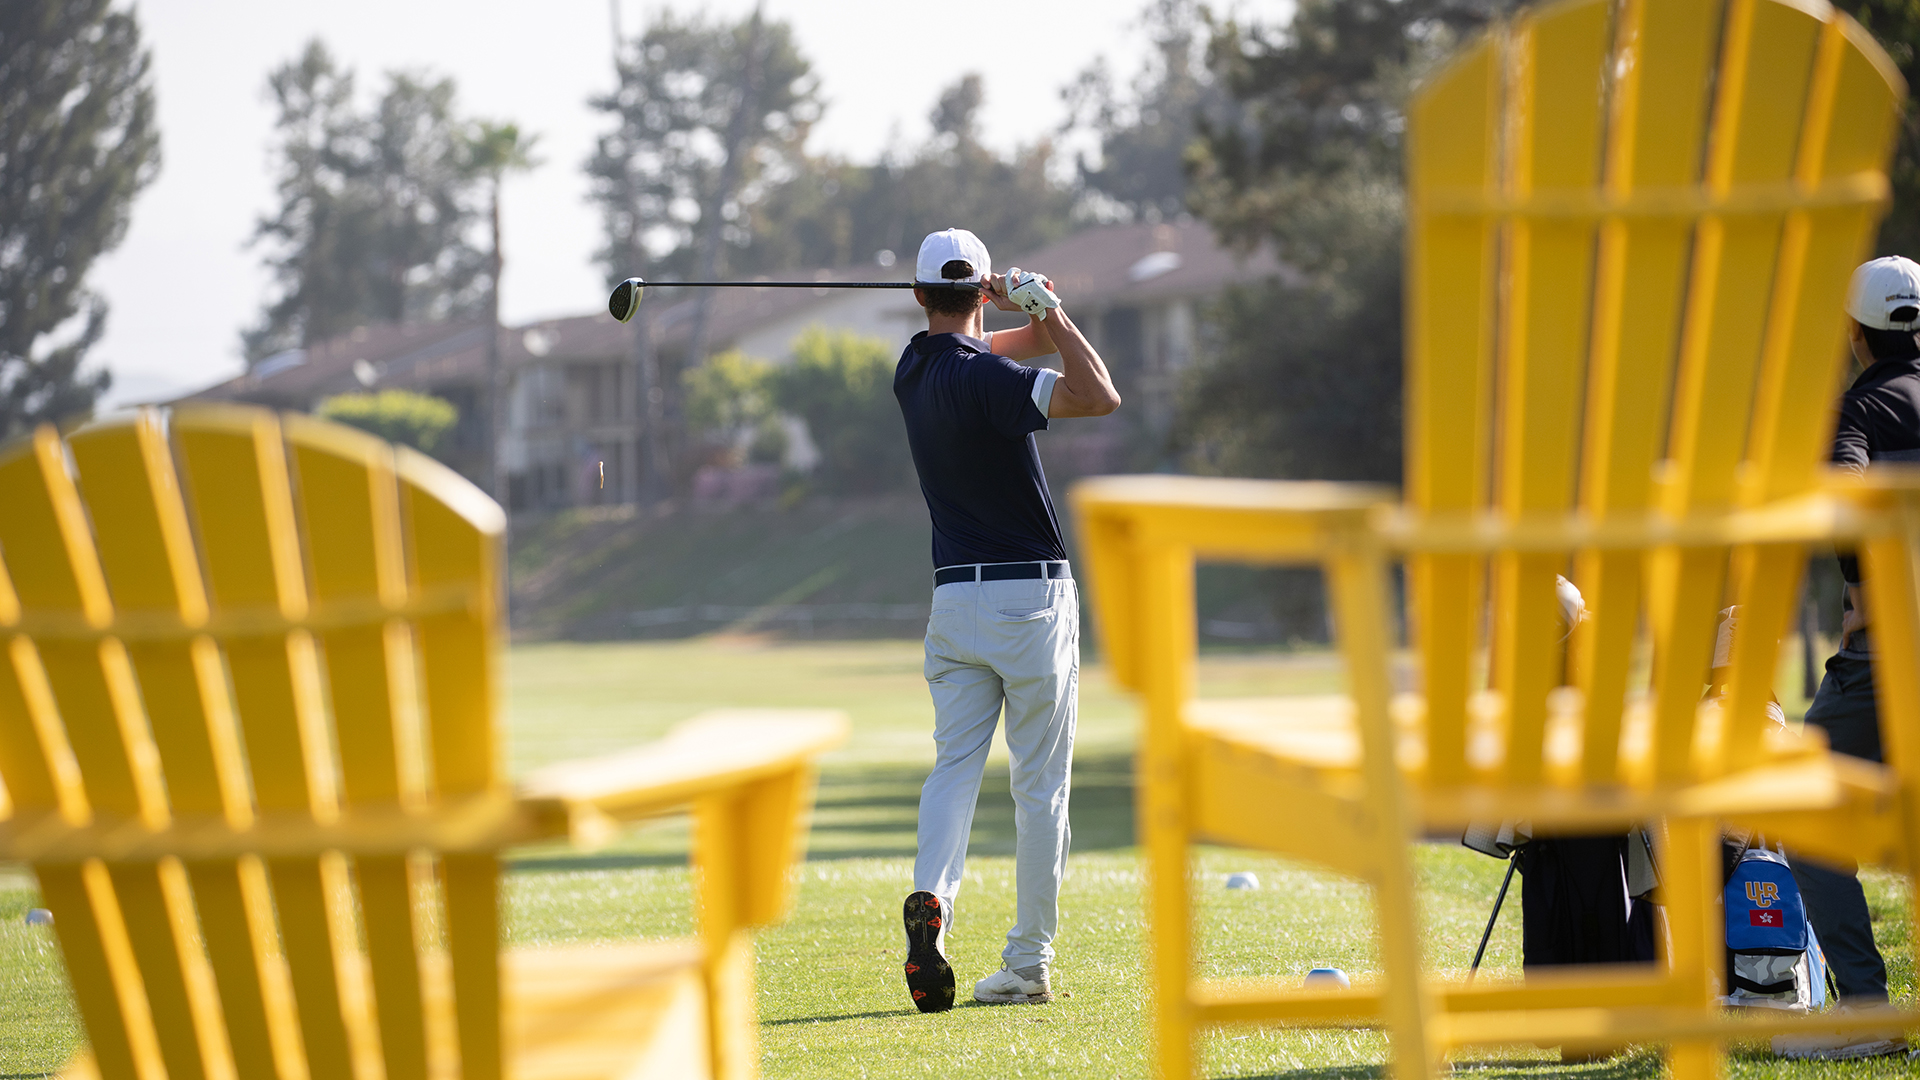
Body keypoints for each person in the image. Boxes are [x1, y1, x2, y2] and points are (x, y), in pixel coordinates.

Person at [894, 228, 1120, 1013]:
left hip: (954, 599)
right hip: (1030, 598)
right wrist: (1053, 312)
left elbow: (983, 345)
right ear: (980, 291)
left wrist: (1018, 310)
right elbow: (1098, 395)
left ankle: (933, 896)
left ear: (921, 295)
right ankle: (1026, 963)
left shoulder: (912, 369)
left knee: (954, 766)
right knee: (1039, 790)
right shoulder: (995, 378)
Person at [1775, 255, 1920, 1060]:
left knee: (1808, 807)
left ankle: (1867, 1013)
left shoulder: (1857, 409)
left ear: (1854, 331)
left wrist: (1871, 585)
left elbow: (1844, 504)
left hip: (1893, 651)